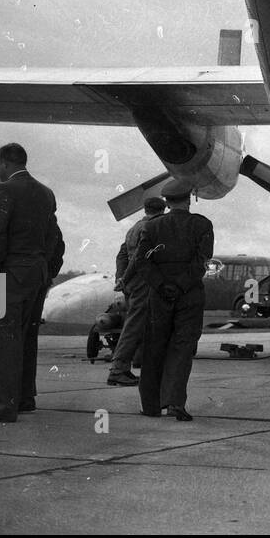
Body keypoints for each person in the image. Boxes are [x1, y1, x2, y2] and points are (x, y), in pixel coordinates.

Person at [0, 143, 64, 423]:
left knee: (2, 340)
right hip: (36, 273)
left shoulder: (4, 190)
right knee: (25, 338)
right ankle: (22, 397)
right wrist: (45, 267)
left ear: (7, 163)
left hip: (9, 273)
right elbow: (53, 236)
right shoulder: (46, 193)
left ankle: (3, 404)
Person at [133, 179, 213, 421]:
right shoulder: (201, 225)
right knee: (182, 348)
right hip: (189, 295)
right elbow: (202, 262)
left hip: (159, 296)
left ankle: (151, 406)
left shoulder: (153, 227)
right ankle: (176, 402)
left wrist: (161, 285)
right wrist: (180, 285)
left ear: (166, 202)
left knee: (154, 347)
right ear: (188, 199)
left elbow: (141, 261)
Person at [106, 195, 166, 386]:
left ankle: (125, 368)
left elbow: (122, 255)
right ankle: (117, 369)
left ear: (145, 209)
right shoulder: (153, 228)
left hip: (132, 284)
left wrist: (120, 278)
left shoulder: (134, 228)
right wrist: (125, 278)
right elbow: (139, 258)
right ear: (162, 211)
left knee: (136, 324)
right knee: (134, 326)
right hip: (143, 282)